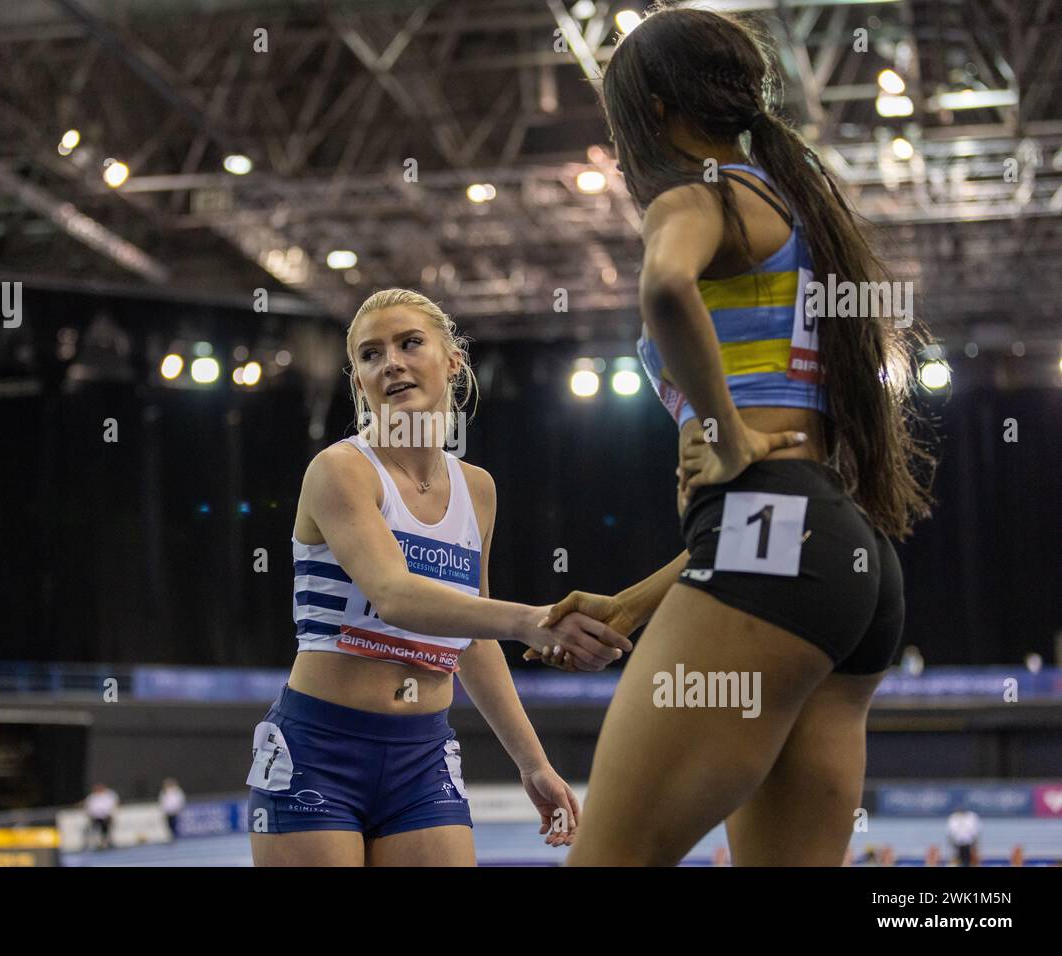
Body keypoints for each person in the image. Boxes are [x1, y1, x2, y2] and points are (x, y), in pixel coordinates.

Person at [537, 7, 934, 866]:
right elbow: (780, 518)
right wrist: (638, 604)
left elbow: (666, 291)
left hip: (778, 541)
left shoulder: (700, 196)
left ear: (646, 114)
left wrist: (719, 433)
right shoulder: (793, 213)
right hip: (844, 560)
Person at [247, 288, 631, 867]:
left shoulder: (477, 489)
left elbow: (470, 633)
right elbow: (395, 595)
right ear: (359, 385)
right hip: (320, 751)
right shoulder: (341, 471)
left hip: (421, 757)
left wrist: (533, 763)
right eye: (371, 355)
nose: (392, 363)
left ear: (453, 359)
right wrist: (532, 621)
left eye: (409, 343)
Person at [83, 783, 119, 850]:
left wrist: (110, 814)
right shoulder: (91, 797)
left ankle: (107, 843)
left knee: (106, 830)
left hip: (106, 816)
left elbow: (113, 804)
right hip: (96, 817)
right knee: (96, 830)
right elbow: (88, 807)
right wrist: (90, 816)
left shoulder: (109, 795)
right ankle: (98, 844)